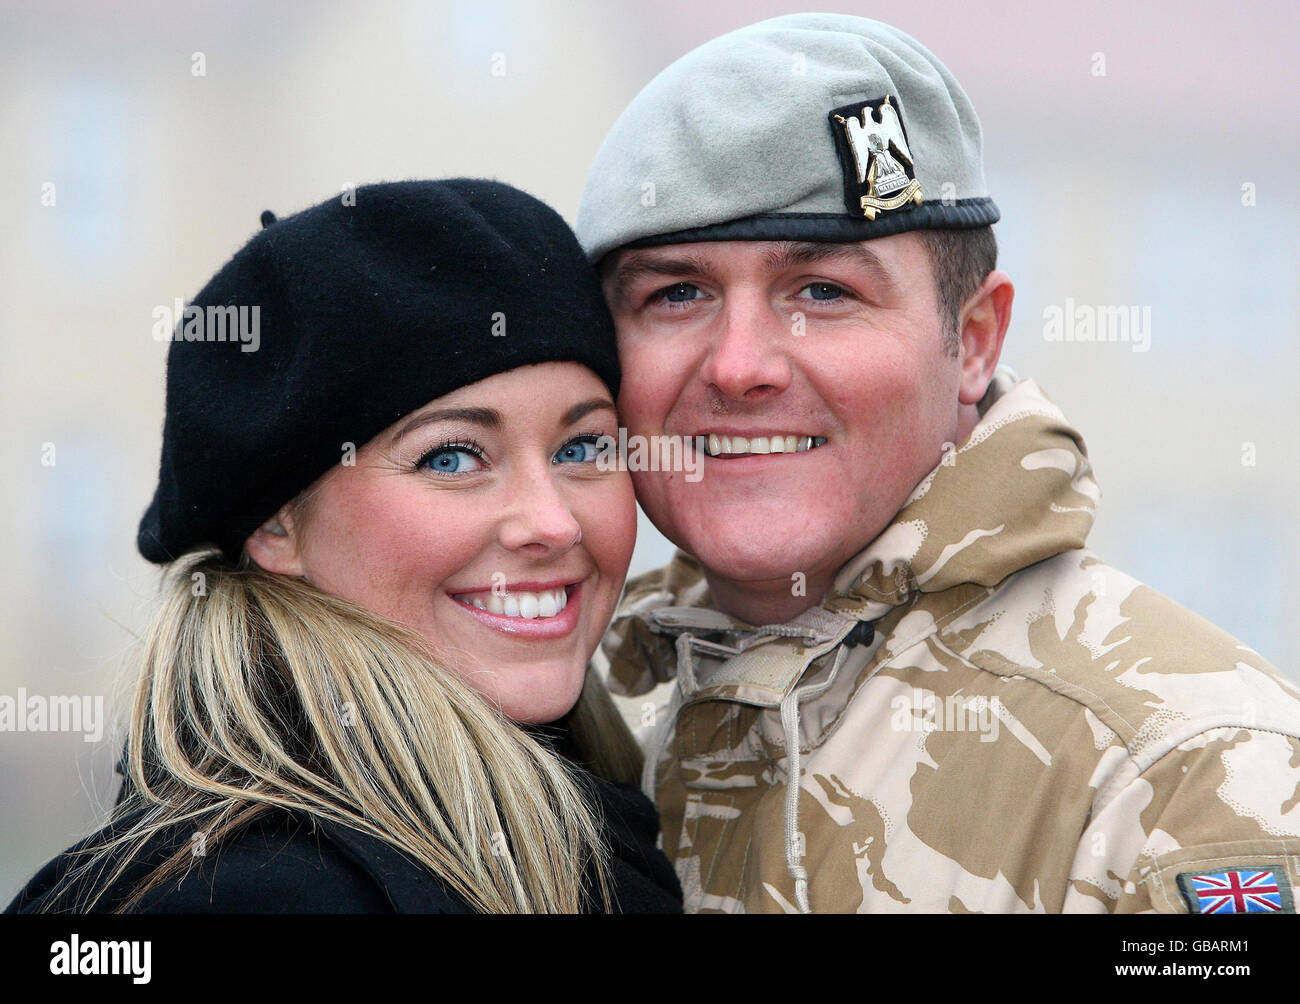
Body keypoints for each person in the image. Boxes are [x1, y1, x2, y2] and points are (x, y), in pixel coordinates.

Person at [575, 13, 1300, 913]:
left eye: (823, 292)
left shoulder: (1185, 770)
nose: (739, 366)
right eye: (676, 293)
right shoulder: (581, 716)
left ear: (973, 342)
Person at [6, 179, 682, 914]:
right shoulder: (254, 895)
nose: (553, 523)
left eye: (581, 447)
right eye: (452, 458)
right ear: (277, 524)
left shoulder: (596, 823)